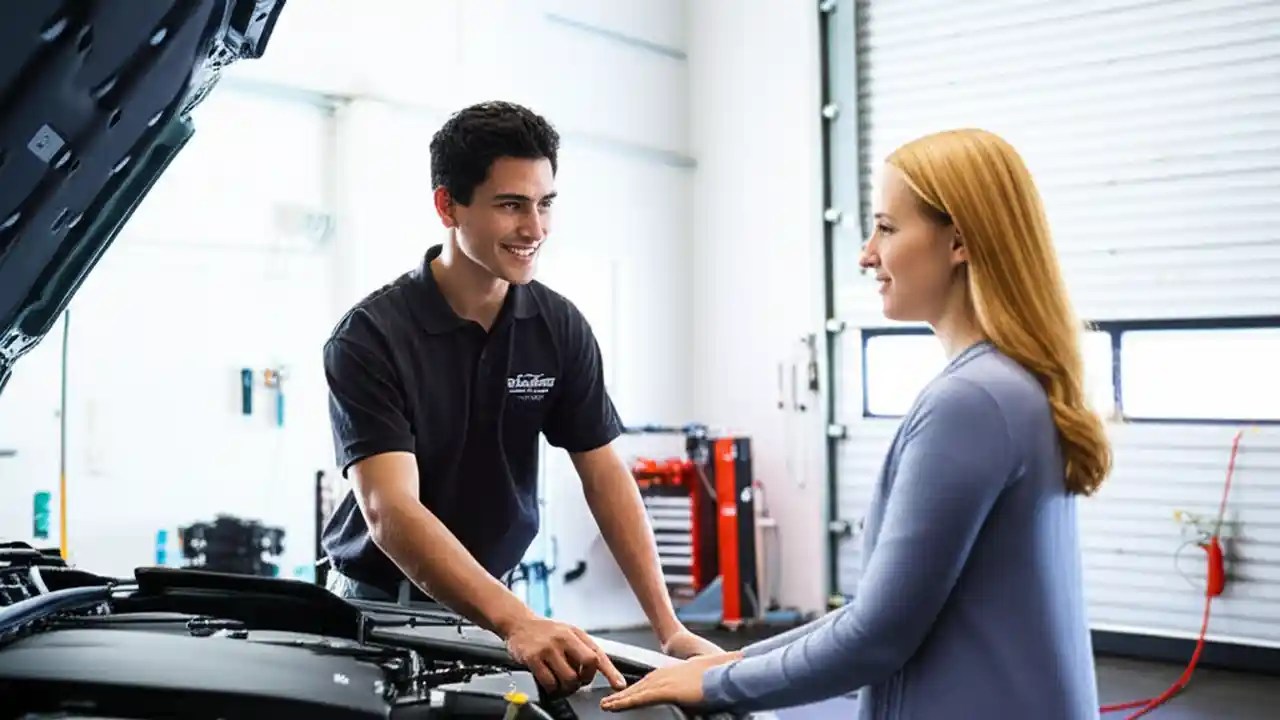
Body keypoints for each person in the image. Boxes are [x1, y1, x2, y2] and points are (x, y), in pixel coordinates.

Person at [600, 128, 1113, 718]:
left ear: (959, 241)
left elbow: (877, 638)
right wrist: (735, 662)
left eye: (886, 229)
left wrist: (718, 687)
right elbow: (883, 612)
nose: (868, 254)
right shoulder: (1012, 386)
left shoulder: (971, 402)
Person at [320, 100, 721, 694]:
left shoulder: (557, 326)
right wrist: (518, 622)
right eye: (511, 205)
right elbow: (390, 511)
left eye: (545, 203)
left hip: (497, 606)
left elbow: (604, 474)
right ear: (447, 206)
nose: (535, 229)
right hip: (381, 608)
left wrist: (669, 630)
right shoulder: (370, 337)